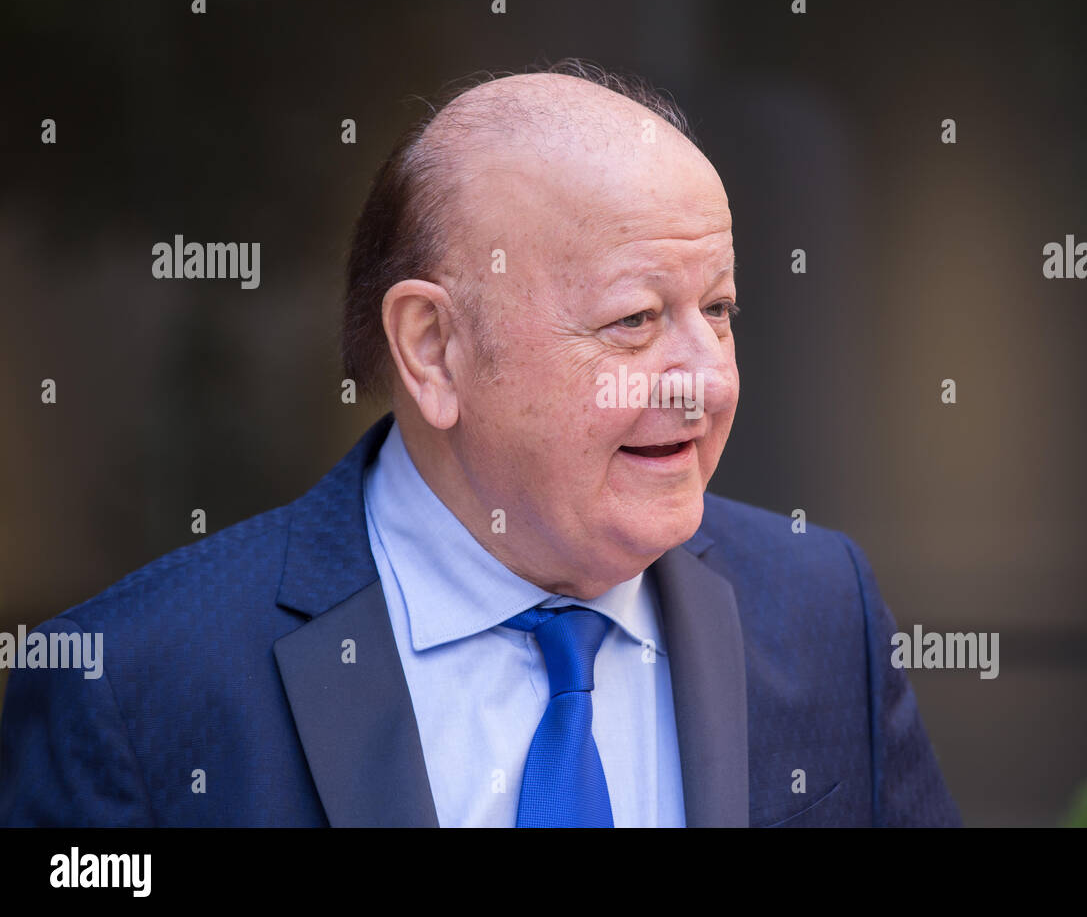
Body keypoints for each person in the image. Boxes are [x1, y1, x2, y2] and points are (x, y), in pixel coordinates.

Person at [0, 59, 960, 827]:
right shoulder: (133, 688)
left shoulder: (822, 606)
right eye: (633, 320)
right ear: (434, 348)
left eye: (718, 309)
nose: (705, 379)